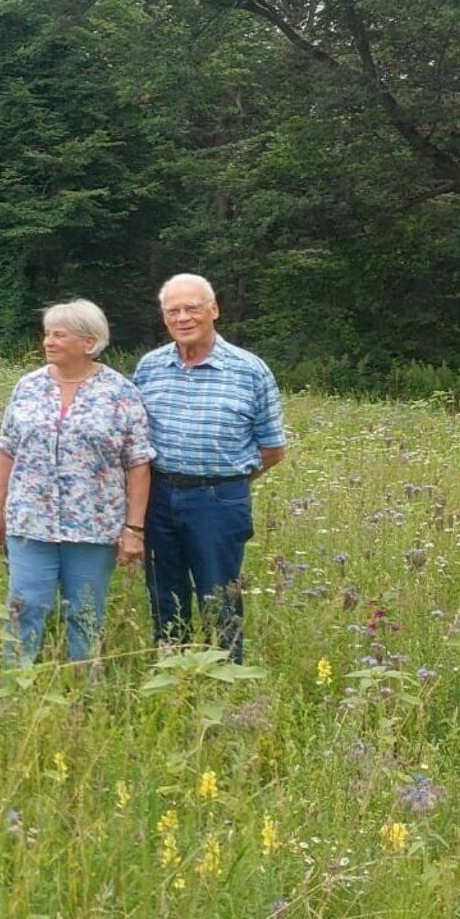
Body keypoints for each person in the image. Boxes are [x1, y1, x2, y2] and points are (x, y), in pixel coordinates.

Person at [0, 300, 154, 665]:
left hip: (94, 526)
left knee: (86, 614)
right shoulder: (28, 386)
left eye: (59, 335)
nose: (48, 341)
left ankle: (85, 693)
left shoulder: (120, 392)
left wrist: (133, 529)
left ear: (89, 342)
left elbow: (138, 463)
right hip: (30, 522)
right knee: (24, 606)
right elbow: (6, 451)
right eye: (47, 333)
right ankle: (16, 687)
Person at [134, 273, 286, 660]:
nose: (183, 317)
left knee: (219, 594)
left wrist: (225, 482)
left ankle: (226, 676)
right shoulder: (149, 368)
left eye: (192, 308)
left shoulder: (250, 370)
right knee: (164, 591)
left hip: (219, 498)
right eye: (173, 311)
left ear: (214, 310)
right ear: (164, 319)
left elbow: (272, 448)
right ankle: (173, 668)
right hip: (158, 495)